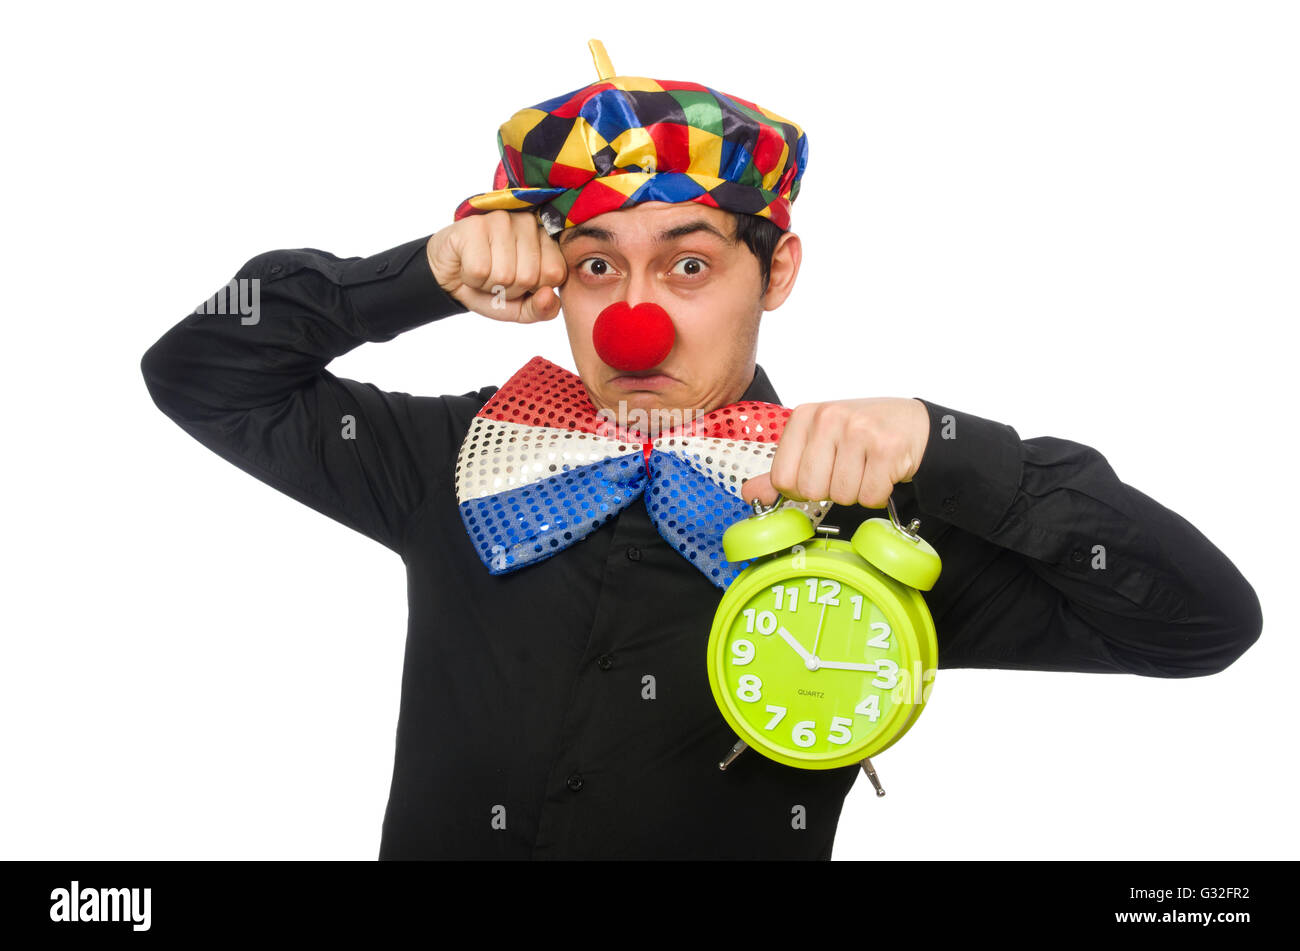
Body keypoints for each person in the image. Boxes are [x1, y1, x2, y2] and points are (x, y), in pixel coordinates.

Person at [140, 41, 1262, 860]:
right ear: (550, 281)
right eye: (594, 265)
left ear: (773, 275)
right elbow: (193, 365)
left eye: (688, 265)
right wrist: (417, 272)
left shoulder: (871, 515)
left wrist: (948, 443)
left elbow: (1202, 623)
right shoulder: (458, 457)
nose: (636, 316)